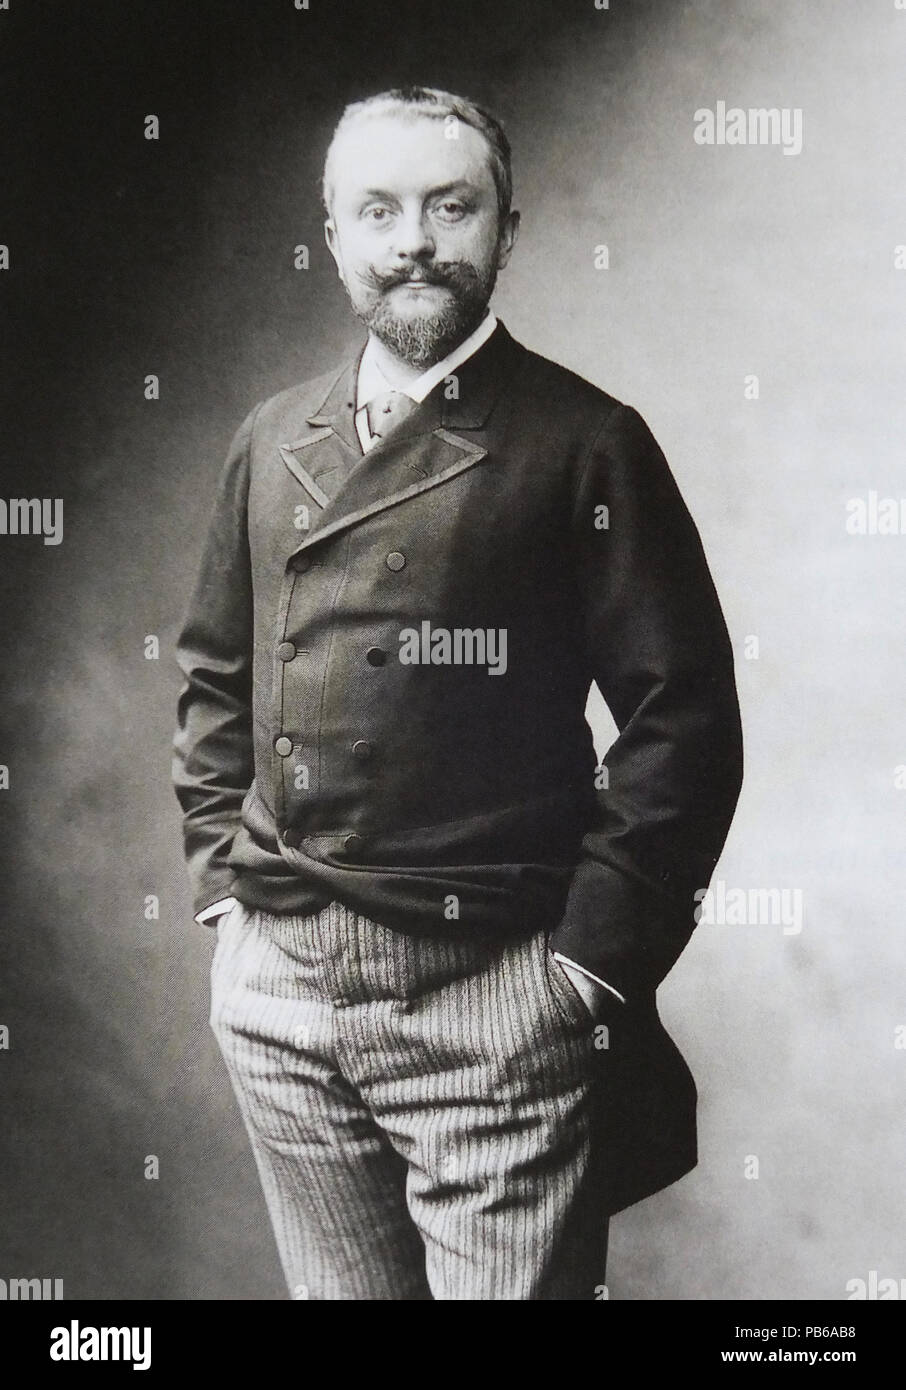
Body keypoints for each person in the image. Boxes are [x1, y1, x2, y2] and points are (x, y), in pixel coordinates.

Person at [172, 85, 743, 1300]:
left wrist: (583, 973)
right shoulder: (270, 438)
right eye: (377, 210)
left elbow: (683, 720)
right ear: (333, 238)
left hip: (487, 994)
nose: (414, 239)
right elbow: (215, 674)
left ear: (507, 229)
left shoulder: (586, 442)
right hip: (281, 994)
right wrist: (228, 896)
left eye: (450, 206)